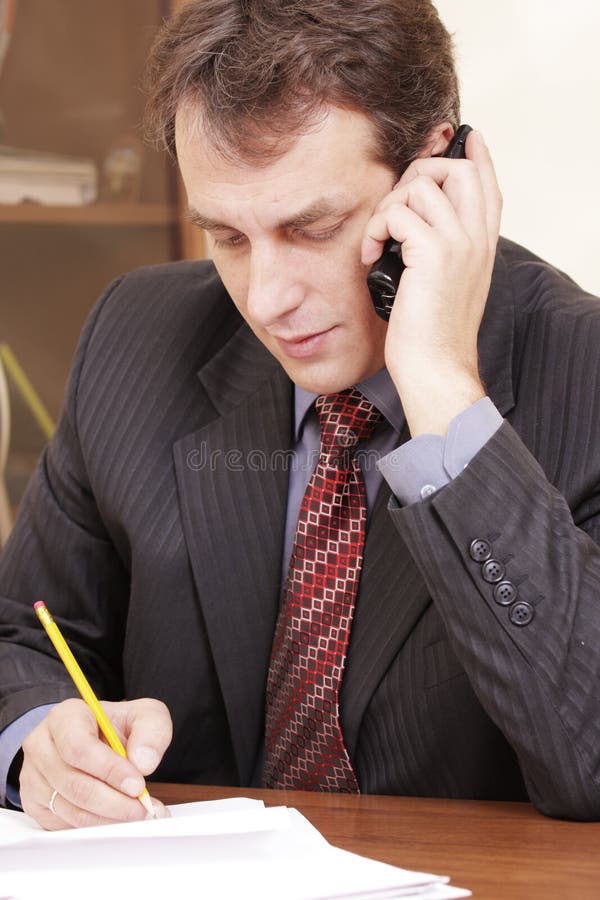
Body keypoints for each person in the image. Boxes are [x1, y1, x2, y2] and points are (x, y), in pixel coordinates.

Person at [1, 0, 599, 830]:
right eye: (229, 239)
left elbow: (592, 759)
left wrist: (440, 388)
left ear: (436, 173)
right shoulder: (137, 335)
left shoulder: (585, 370)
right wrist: (40, 739)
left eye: (312, 228)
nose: (268, 300)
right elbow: (21, 635)